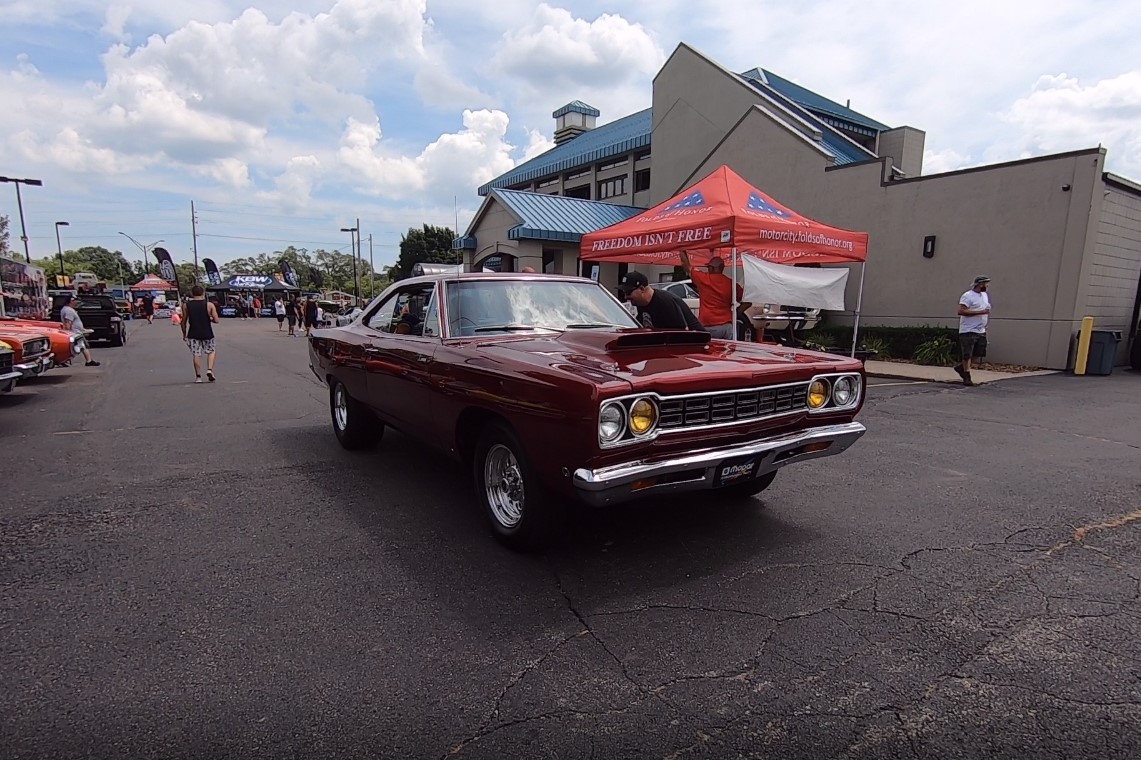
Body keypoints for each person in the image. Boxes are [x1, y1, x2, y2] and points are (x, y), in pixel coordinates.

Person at [679, 250, 751, 340]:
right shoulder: (731, 284)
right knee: (728, 352)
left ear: (713, 268)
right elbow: (747, 302)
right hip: (727, 326)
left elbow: (686, 267)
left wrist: (682, 250)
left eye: (709, 267)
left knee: (708, 352)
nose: (708, 269)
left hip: (708, 325)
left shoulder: (704, 279)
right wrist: (736, 313)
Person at [616, 271, 704, 331]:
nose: (626, 297)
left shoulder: (665, 302)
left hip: (695, 345)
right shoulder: (641, 303)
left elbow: (681, 332)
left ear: (642, 288)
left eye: (628, 292)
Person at [954, 276, 991, 386]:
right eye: (986, 284)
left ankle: (961, 368)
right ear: (980, 284)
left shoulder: (984, 295)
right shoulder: (967, 296)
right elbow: (961, 311)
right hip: (968, 330)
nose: (987, 286)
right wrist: (981, 312)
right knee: (967, 354)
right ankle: (967, 375)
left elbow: (985, 309)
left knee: (979, 353)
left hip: (981, 330)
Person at [181, 285, 219, 383]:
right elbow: (216, 320)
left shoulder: (186, 305)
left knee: (196, 354)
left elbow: (183, 321)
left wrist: (184, 334)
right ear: (203, 293)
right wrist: (210, 318)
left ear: (192, 294)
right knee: (211, 351)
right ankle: (209, 369)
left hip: (193, 332)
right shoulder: (209, 305)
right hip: (207, 332)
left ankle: (198, 376)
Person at [59, 295, 100, 367]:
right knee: (83, 346)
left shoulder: (68, 309)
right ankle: (89, 361)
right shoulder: (69, 311)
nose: (77, 303)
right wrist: (68, 333)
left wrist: (83, 330)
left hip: (77, 331)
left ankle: (64, 360)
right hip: (75, 332)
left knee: (78, 347)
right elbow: (68, 323)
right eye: (76, 301)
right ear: (71, 301)